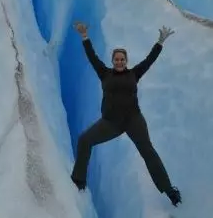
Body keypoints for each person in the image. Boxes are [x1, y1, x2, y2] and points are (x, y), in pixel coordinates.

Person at [70, 21, 182, 207]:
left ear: (126, 61)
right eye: (117, 59)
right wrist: (85, 37)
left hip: (133, 120)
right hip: (110, 123)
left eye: (122, 59)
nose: (119, 62)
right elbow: (92, 57)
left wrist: (160, 42)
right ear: (113, 61)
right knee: (84, 140)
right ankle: (78, 180)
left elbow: (149, 60)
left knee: (148, 151)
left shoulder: (134, 73)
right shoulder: (104, 73)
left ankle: (169, 190)